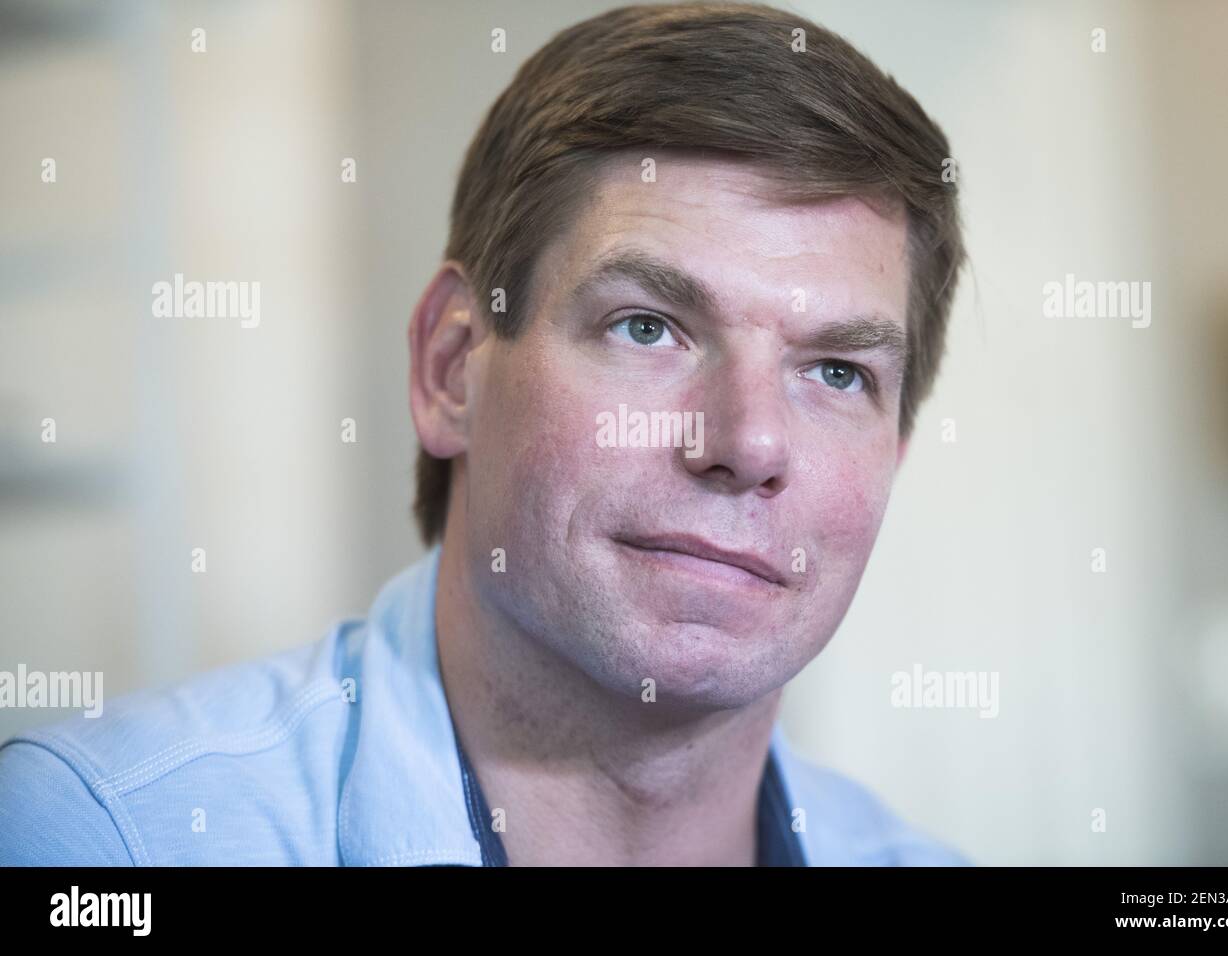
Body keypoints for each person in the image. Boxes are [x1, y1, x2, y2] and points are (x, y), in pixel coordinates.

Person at [0, 1, 968, 866]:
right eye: (647, 326)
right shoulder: (98, 839)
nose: (748, 443)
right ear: (451, 367)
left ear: (892, 454)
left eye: (837, 371)